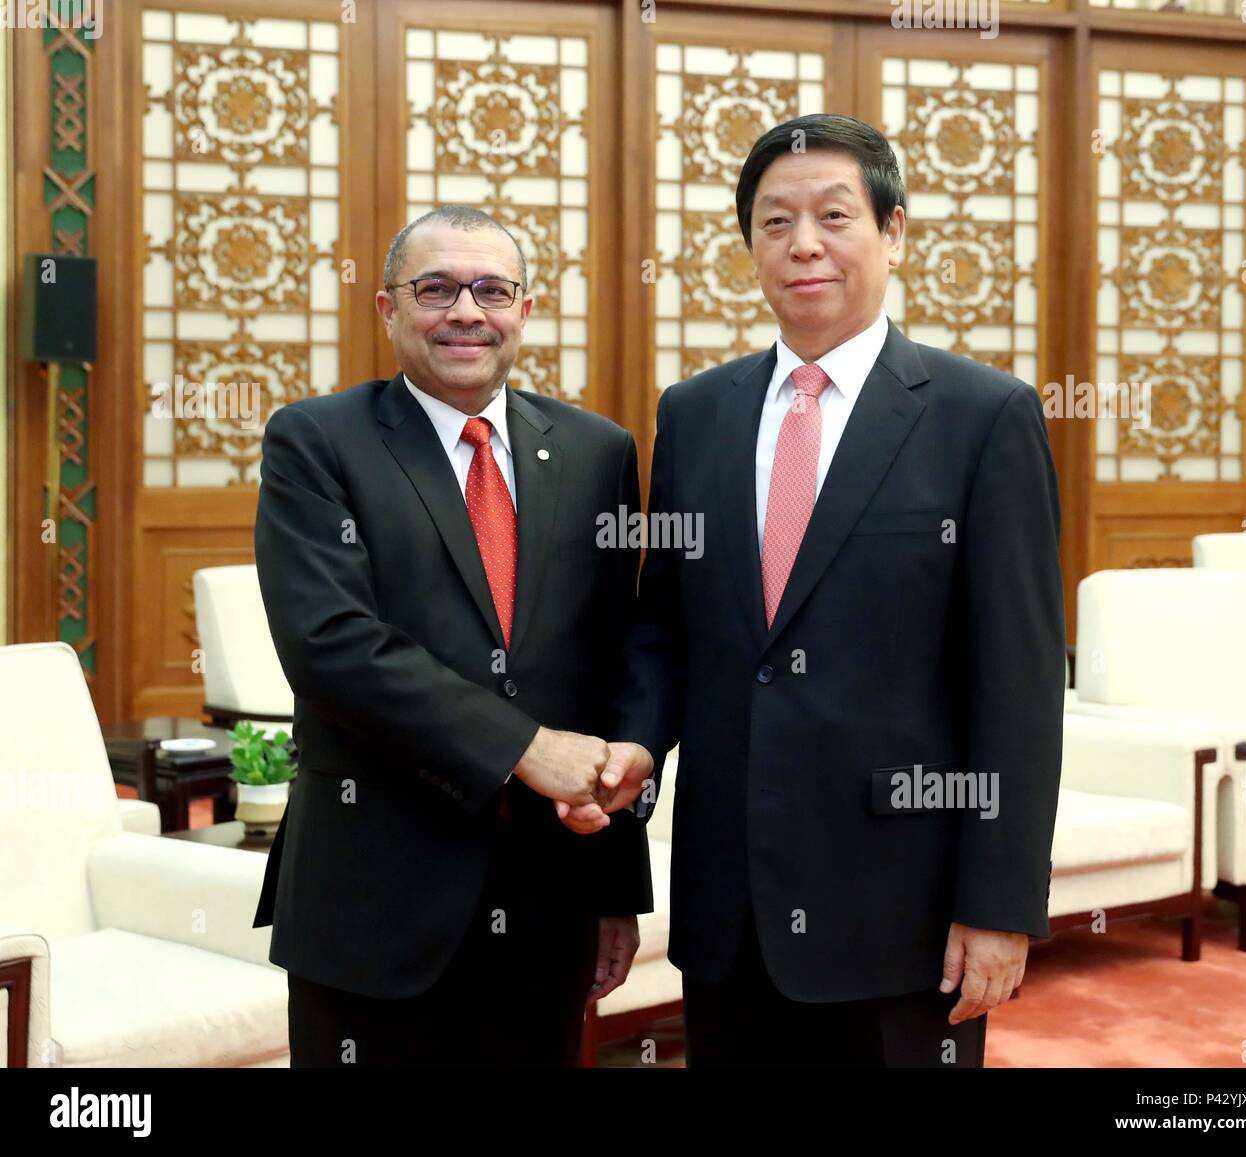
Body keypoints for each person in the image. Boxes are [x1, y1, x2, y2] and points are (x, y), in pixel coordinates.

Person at [571, 114, 1066, 1067]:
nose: (803, 244)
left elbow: (1018, 684)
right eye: (774, 222)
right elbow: (664, 629)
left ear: (894, 231)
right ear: (750, 245)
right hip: (730, 912)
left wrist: (999, 905)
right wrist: (635, 740)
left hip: (902, 917)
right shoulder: (697, 413)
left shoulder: (983, 416)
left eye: (834, 215)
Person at [252, 205, 650, 1066]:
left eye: (492, 289)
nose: (466, 310)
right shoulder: (317, 442)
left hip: (548, 906)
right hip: (372, 905)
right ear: (389, 310)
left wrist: (616, 889)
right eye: (435, 288)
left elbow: (611, 672)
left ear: (525, 311)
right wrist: (525, 748)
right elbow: (331, 646)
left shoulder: (596, 452)